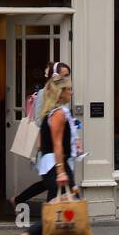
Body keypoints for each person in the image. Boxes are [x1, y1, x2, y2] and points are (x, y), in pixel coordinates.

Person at [3, 75, 101, 235]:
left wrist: (74, 145)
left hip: (55, 166)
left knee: (69, 210)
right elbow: (56, 144)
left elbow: (50, 142)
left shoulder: (55, 112)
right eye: (69, 89)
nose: (72, 92)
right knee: (61, 212)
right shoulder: (58, 114)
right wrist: (61, 171)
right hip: (58, 168)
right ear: (60, 92)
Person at [11, 62, 72, 209]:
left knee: (52, 183)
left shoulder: (64, 94)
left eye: (68, 75)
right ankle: (49, 222)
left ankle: (19, 200)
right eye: (64, 75)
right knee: (55, 184)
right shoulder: (44, 94)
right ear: (54, 76)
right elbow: (39, 120)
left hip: (58, 147)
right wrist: (54, 121)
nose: (66, 78)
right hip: (48, 147)